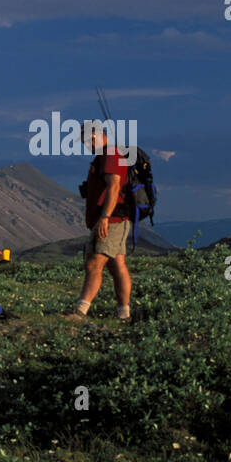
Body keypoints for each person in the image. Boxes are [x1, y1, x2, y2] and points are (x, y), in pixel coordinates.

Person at [66, 122, 132, 322]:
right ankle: (124, 315)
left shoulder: (111, 156)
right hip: (117, 219)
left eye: (89, 139)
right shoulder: (110, 155)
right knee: (117, 265)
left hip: (110, 221)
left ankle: (80, 312)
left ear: (99, 135)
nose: (87, 144)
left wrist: (104, 217)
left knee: (94, 263)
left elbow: (114, 186)